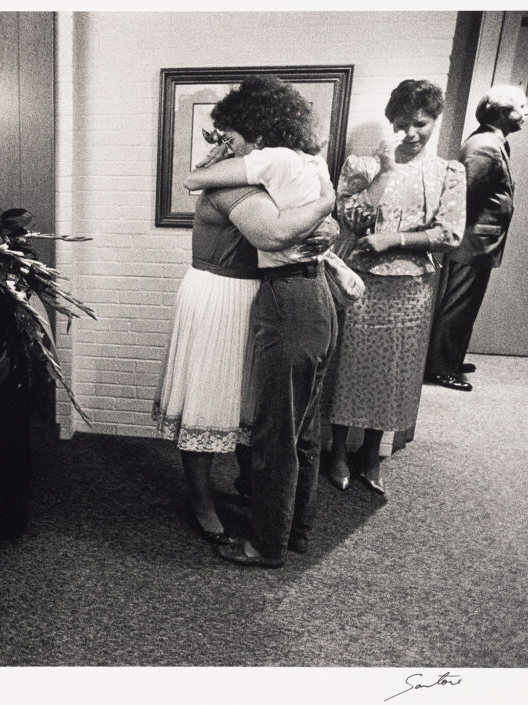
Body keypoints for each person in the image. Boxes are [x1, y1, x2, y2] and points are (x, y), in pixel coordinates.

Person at [153, 75, 335, 553]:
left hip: (256, 299)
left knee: (248, 409)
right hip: (218, 298)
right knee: (207, 402)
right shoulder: (236, 185)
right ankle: (201, 501)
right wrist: (325, 211)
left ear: (257, 132)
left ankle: (257, 496)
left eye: (231, 132)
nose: (222, 141)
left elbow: (307, 224)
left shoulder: (271, 173)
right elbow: (272, 235)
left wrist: (326, 225)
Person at [322, 79, 466, 496]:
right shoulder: (361, 166)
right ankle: (337, 451)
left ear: (435, 121)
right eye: (402, 123)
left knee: (393, 373)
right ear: (391, 122)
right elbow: (348, 218)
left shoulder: (448, 173)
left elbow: (450, 233)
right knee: (348, 366)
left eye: (420, 123)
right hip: (360, 284)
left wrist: (395, 239)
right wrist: (382, 175)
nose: (411, 132)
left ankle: (370, 453)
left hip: (412, 289)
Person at [425, 85, 528, 391]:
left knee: (466, 307)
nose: (527, 112)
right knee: (458, 306)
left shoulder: (494, 141)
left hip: (481, 242)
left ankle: (452, 358)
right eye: (521, 107)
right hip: (471, 242)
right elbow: (464, 198)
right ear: (500, 112)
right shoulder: (484, 145)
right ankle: (440, 367)